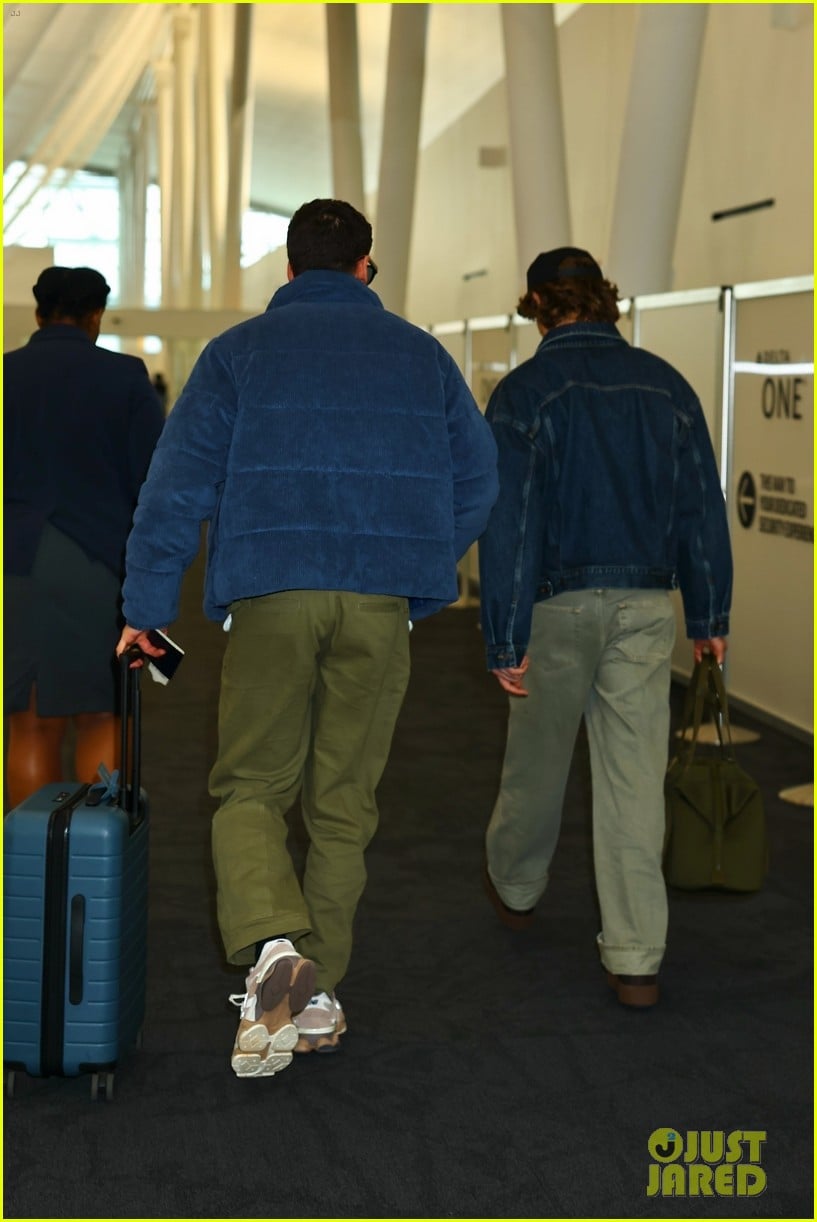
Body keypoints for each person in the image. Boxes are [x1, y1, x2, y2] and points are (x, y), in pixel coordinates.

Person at [116, 198, 499, 1078]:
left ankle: (278, 955)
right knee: (343, 805)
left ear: (287, 270)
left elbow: (175, 490)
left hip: (272, 593)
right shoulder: (420, 355)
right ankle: (312, 997)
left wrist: (145, 607)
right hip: (377, 604)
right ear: (367, 266)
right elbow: (478, 480)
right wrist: (419, 566)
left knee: (250, 785)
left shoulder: (238, 354)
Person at [478, 247, 732, 1008]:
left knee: (536, 763)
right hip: (645, 609)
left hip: (554, 607)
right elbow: (699, 511)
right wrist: (710, 615)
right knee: (631, 777)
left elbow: (509, 525)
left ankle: (517, 890)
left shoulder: (523, 394)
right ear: (605, 301)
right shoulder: (667, 387)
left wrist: (502, 632)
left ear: (536, 307)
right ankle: (634, 956)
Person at [4, 266, 164, 809]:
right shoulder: (125, 377)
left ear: (37, 314)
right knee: (102, 711)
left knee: (29, 721)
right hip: (100, 567)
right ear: (96, 315)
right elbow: (153, 481)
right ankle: (96, 865)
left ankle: (30, 862)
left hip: (17, 564)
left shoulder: (6, 374)